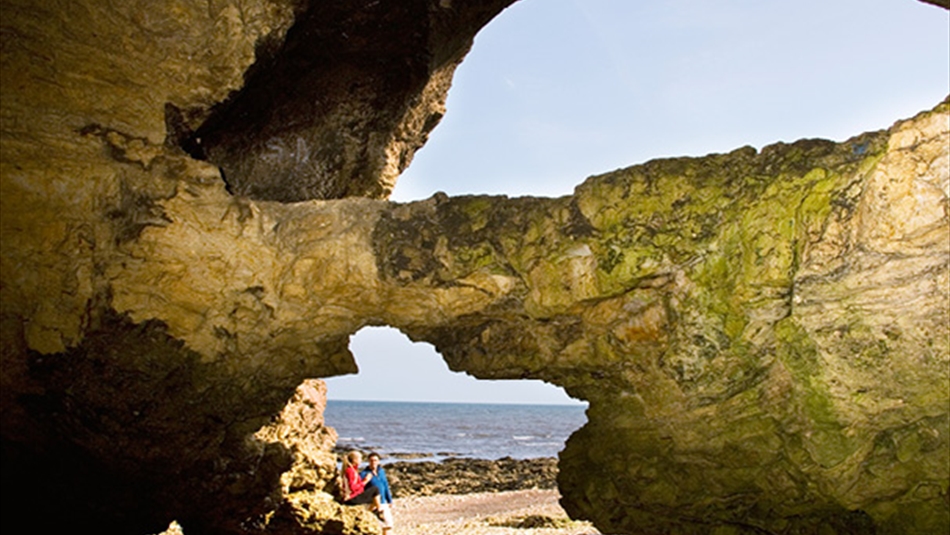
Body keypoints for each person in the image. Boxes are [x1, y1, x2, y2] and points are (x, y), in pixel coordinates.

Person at [360, 452, 394, 534]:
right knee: (377, 526)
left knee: (389, 524)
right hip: (372, 503)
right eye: (371, 460)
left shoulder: (381, 472)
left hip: (383, 502)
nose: (373, 462)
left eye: (375, 460)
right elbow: (360, 487)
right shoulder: (364, 474)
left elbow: (385, 485)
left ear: (378, 461)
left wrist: (389, 500)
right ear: (368, 461)